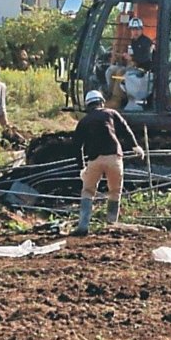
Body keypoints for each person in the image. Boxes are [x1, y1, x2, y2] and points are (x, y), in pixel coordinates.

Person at [71, 89, 144, 237]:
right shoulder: (111, 113)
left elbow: (76, 146)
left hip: (94, 160)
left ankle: (83, 226)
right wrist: (135, 146)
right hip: (114, 158)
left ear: (87, 105)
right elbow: (125, 129)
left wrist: (81, 167)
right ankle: (111, 224)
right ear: (101, 101)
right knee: (115, 191)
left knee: (88, 192)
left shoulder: (84, 121)